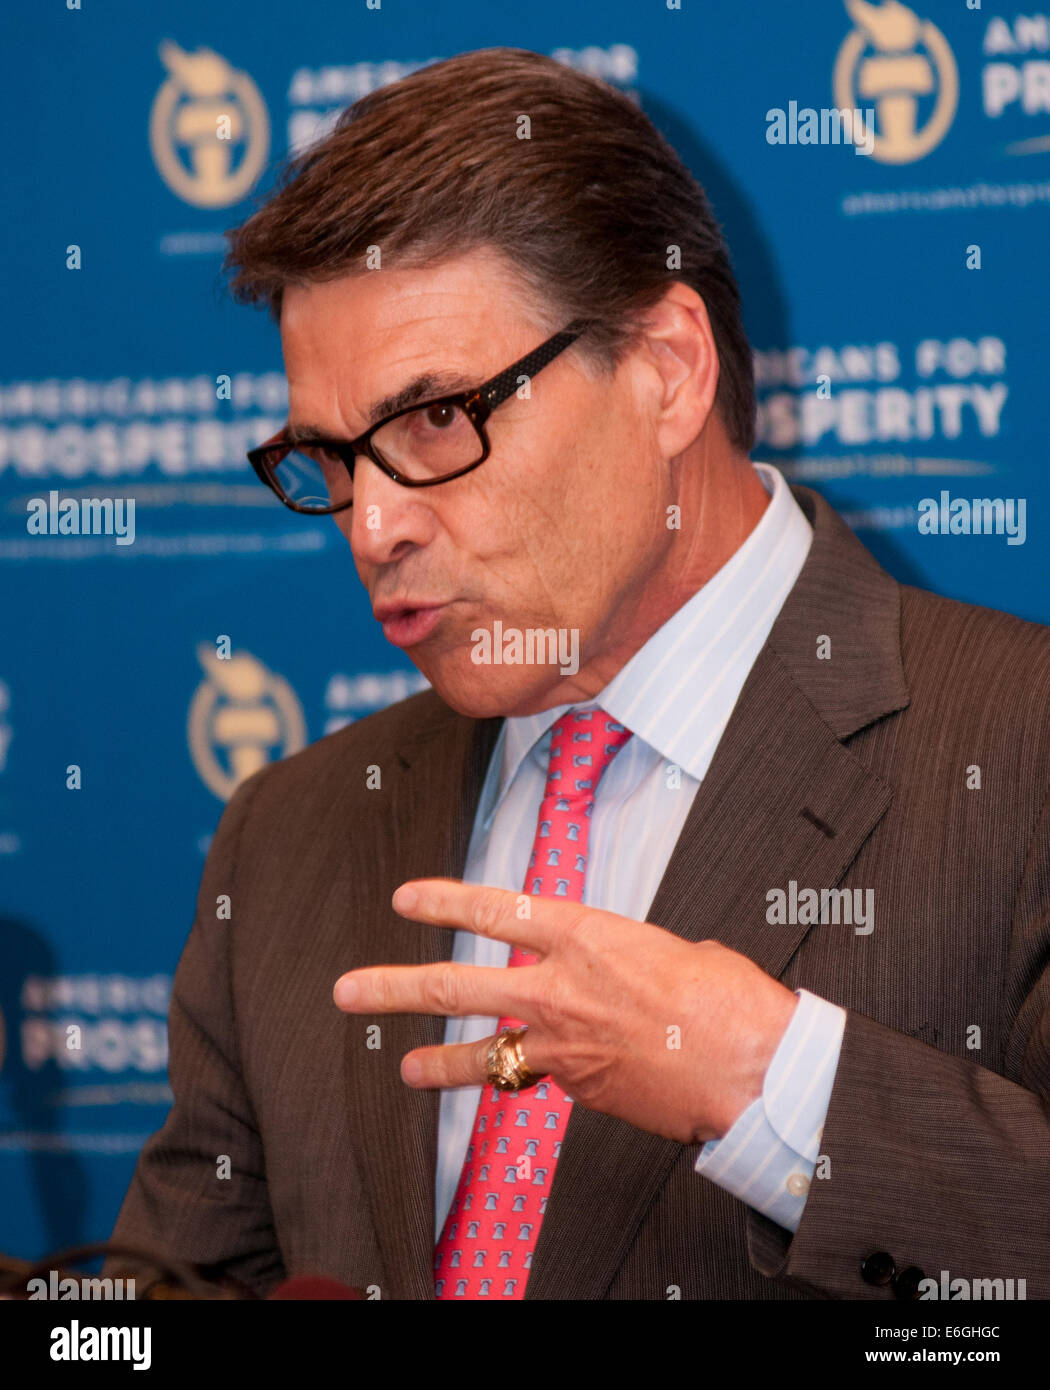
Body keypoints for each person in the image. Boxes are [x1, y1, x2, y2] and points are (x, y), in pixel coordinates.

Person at [105, 47, 1050, 1301]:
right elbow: (157, 1302)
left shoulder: (1019, 746)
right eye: (331, 458)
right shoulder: (289, 834)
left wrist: (771, 1082)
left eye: (436, 418)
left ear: (666, 370)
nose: (371, 524)